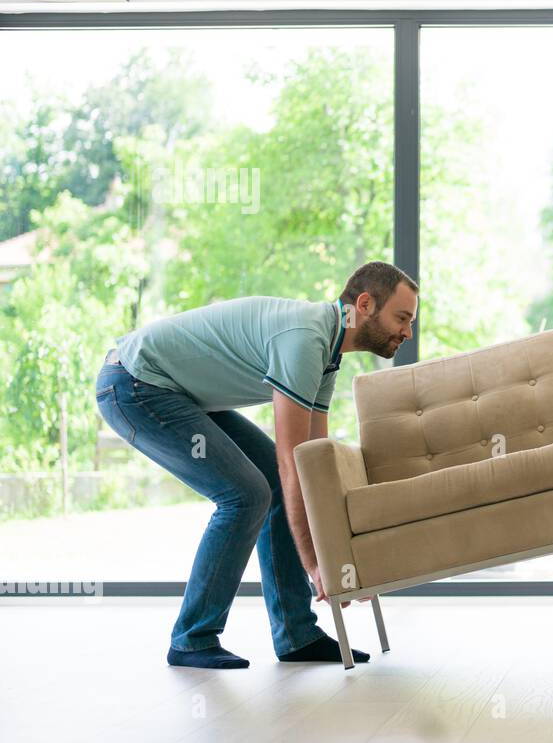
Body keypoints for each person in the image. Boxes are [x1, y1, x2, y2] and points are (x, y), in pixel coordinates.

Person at [94, 261, 418, 669]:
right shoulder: (304, 339)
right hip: (134, 383)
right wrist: (316, 564)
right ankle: (192, 639)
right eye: (401, 318)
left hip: (177, 393)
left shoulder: (326, 353)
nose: (407, 332)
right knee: (246, 494)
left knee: (275, 490)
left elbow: (311, 467)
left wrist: (340, 557)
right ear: (366, 304)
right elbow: (290, 462)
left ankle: (297, 634)